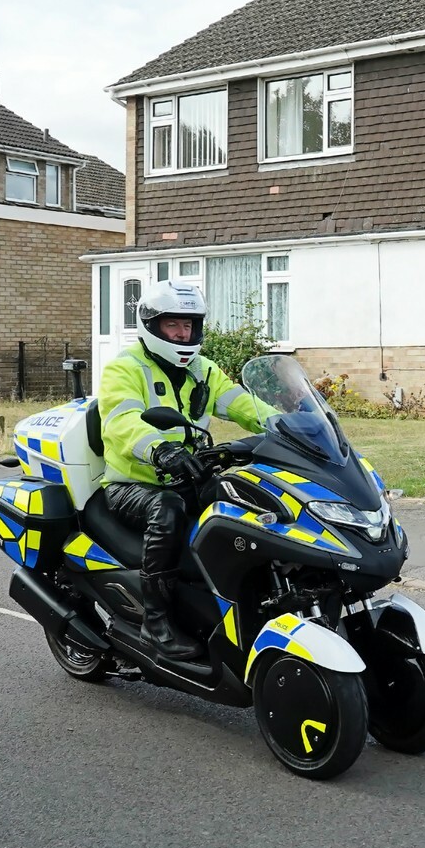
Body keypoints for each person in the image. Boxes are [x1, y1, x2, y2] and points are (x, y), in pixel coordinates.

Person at [98, 280, 273, 661]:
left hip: (190, 475)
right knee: (168, 510)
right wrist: (161, 450)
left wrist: (292, 426)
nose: (183, 334)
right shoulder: (124, 369)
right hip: (134, 484)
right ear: (153, 325)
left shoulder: (203, 370)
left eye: (190, 326)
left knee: (250, 500)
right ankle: (155, 622)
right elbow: (121, 421)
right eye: (174, 325)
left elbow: (245, 405)